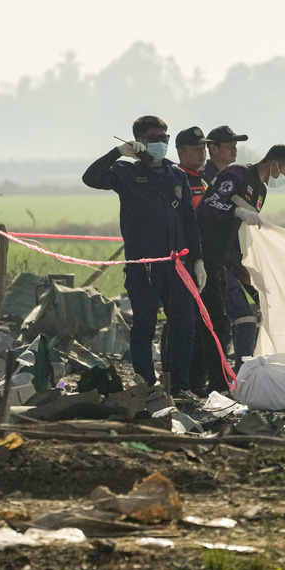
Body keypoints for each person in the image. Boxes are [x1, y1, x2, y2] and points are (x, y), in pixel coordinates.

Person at [81, 116, 206, 394]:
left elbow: (189, 220)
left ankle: (179, 386)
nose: (161, 143)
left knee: (184, 326)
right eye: (153, 138)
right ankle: (146, 385)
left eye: (165, 138)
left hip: (177, 266)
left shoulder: (177, 176)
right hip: (144, 267)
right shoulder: (125, 173)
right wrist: (117, 153)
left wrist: (197, 260)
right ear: (138, 141)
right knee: (144, 327)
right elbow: (90, 178)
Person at [194, 144, 285, 393]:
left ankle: (220, 380)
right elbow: (208, 205)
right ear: (273, 163)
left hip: (225, 260)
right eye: (283, 173)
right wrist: (236, 211)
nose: (282, 179)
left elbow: (240, 232)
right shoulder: (237, 174)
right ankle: (223, 381)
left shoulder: (261, 191)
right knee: (222, 320)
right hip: (204, 254)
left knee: (220, 321)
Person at [174, 127, 209, 207]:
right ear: (181, 152)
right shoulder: (176, 180)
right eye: (197, 149)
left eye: (203, 148)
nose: (202, 153)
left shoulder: (202, 180)